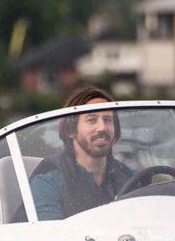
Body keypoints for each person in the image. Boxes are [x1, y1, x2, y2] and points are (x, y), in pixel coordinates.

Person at [29, 88, 132, 220]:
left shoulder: (130, 178)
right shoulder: (47, 183)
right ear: (71, 130)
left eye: (107, 119)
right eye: (91, 120)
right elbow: (52, 237)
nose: (102, 127)